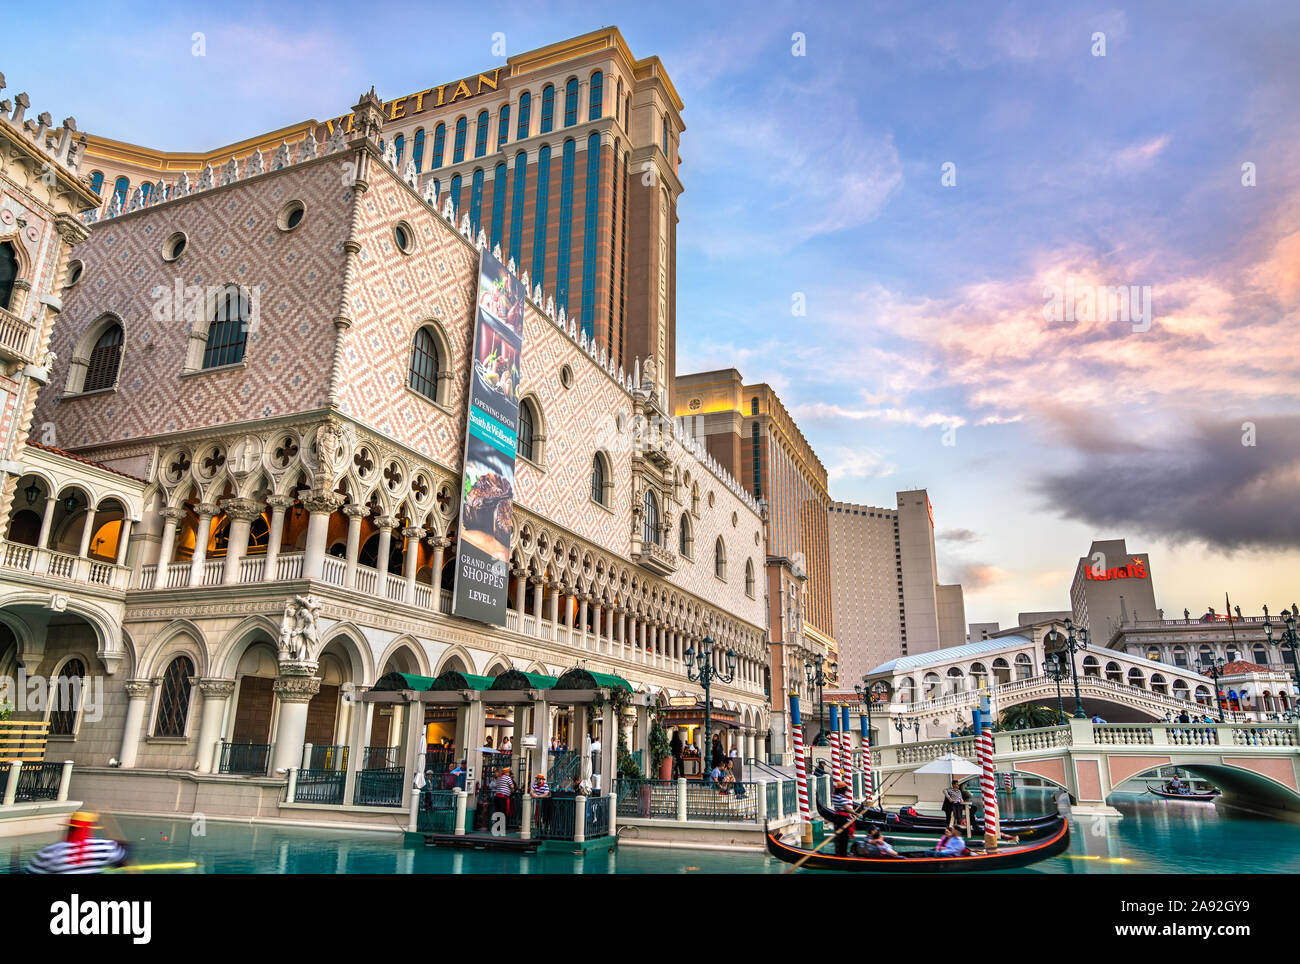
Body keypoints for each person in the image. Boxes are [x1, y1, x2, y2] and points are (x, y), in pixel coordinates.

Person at [829, 780, 855, 857]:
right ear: (843, 790)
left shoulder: (834, 796)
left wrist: (852, 812)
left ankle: (839, 852)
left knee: (838, 836)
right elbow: (846, 808)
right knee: (844, 837)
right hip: (842, 818)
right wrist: (855, 813)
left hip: (836, 817)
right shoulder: (841, 797)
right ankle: (843, 854)